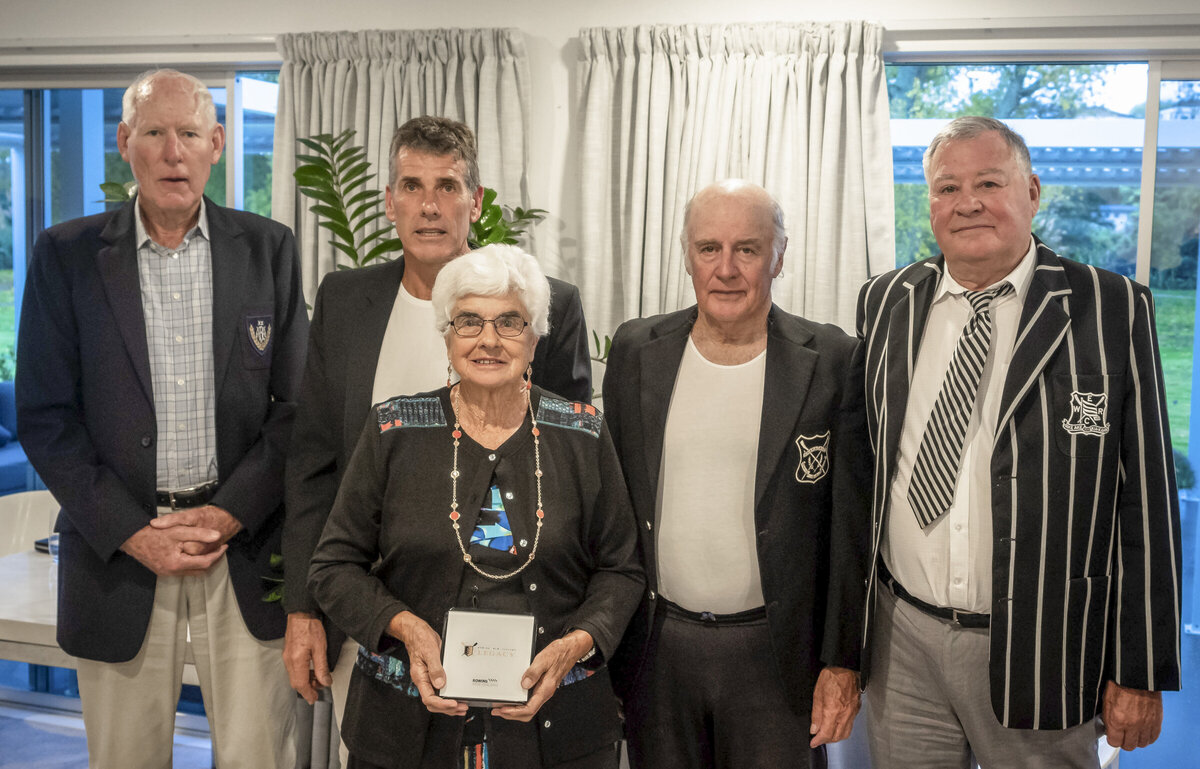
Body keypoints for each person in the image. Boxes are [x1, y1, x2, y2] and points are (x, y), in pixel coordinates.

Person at [852, 116, 1182, 768]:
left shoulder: (1109, 306)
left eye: (988, 182)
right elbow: (863, 468)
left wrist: (1140, 668)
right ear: (931, 204)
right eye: (948, 187)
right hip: (903, 638)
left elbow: (1146, 497)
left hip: (1044, 645)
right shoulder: (885, 301)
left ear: (1032, 192)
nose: (967, 201)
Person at [15, 69, 307, 768]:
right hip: (119, 559)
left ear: (217, 143)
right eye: (154, 132)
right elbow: (45, 417)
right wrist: (131, 531)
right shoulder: (66, 254)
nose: (173, 152)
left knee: (257, 756)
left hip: (239, 553)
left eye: (188, 134)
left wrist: (229, 512)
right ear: (125, 143)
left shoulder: (270, 248)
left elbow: (298, 410)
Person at [282, 116, 594, 746]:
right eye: (412, 185)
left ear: (475, 202)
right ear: (389, 201)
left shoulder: (540, 306)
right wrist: (303, 608)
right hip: (375, 622)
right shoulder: (345, 302)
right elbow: (314, 466)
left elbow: (573, 473)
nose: (430, 205)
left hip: (519, 628)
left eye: (448, 186)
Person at [307, 243, 642, 769]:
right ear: (446, 334)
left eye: (510, 321)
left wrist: (575, 644)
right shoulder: (393, 428)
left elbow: (621, 569)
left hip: (559, 733)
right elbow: (333, 567)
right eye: (469, 321)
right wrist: (404, 625)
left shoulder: (582, 432)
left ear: (535, 336)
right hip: (405, 731)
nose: (488, 339)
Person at [603, 180, 868, 769]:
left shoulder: (832, 360)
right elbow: (611, 512)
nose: (726, 269)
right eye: (708, 248)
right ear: (686, 253)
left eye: (747, 249)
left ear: (778, 254)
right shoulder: (634, 350)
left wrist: (842, 662)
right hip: (657, 648)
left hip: (778, 657)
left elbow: (852, 530)